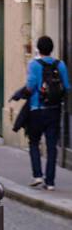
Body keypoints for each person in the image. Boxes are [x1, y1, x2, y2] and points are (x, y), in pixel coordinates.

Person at [24, 35, 69, 191]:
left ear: (38, 48)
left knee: (34, 142)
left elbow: (30, 86)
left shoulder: (33, 65)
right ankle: (50, 182)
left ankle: (37, 175)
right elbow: (67, 86)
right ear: (52, 48)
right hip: (54, 110)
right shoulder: (60, 64)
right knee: (52, 146)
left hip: (37, 109)